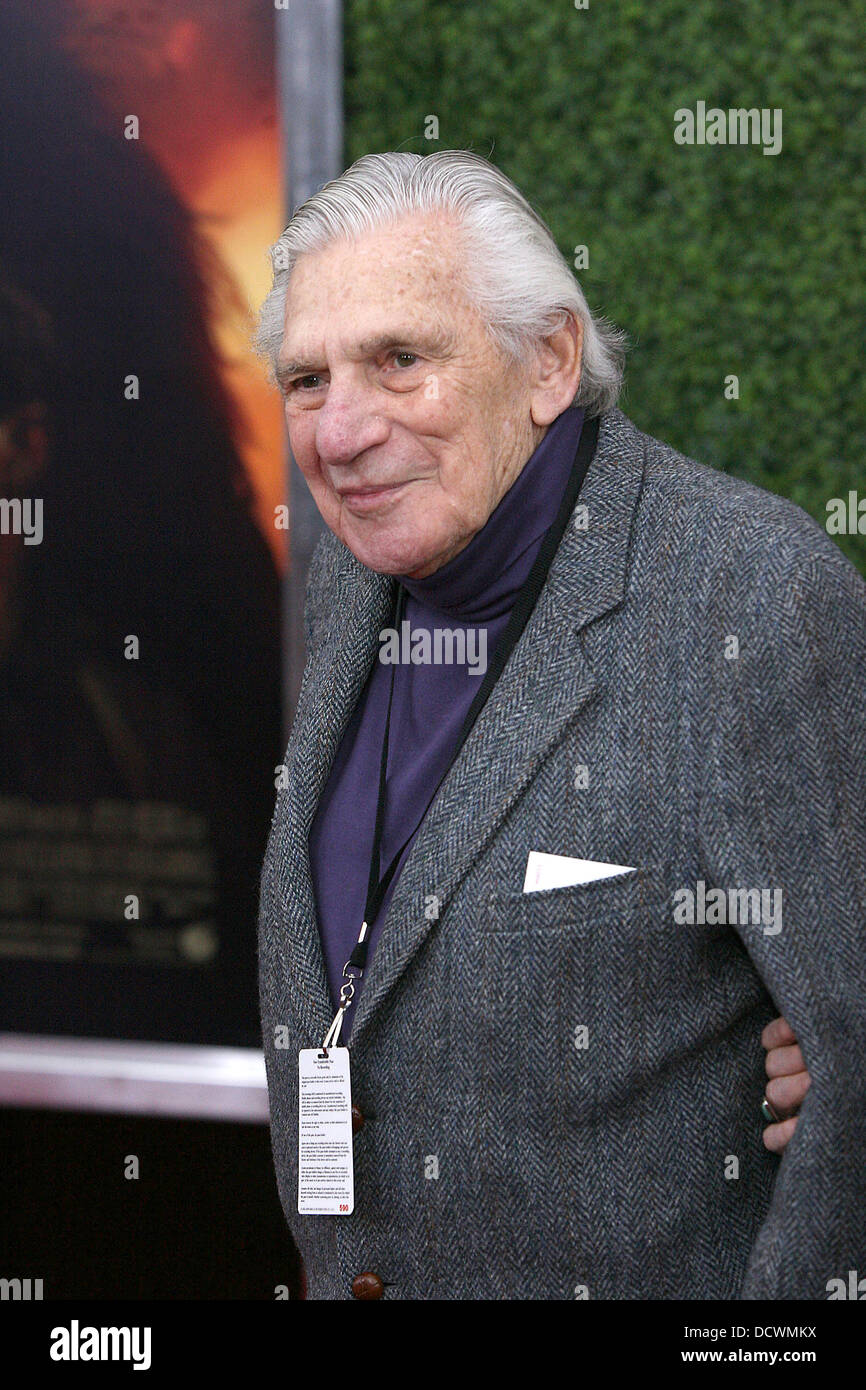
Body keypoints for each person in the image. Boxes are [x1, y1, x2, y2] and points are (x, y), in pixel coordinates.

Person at [256, 151, 860, 1300]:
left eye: (398, 360)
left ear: (547, 360)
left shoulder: (751, 596)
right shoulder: (354, 575)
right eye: (306, 379)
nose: (339, 432)